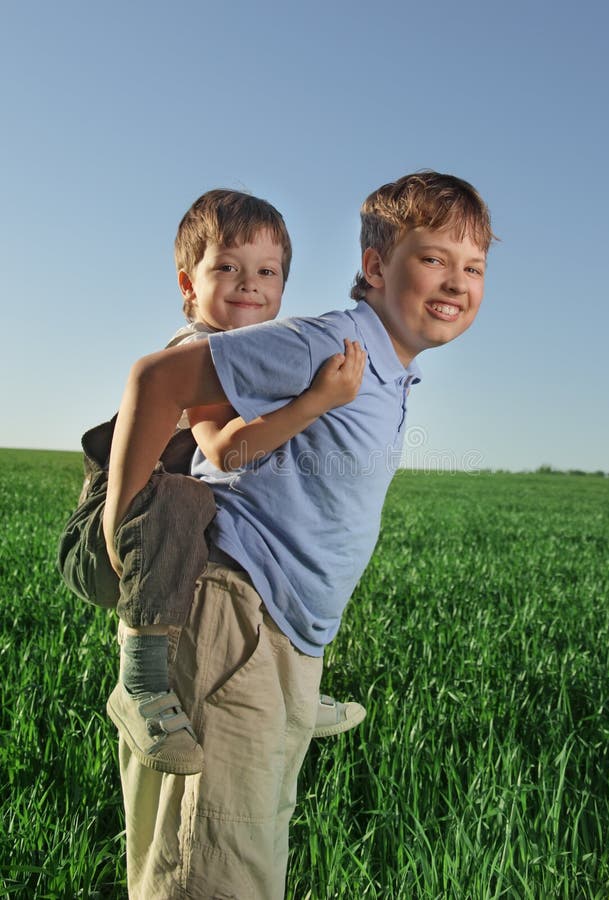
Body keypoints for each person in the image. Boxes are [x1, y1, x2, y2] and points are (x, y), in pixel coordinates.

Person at [104, 170, 495, 898]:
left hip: (285, 638)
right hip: (235, 621)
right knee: (213, 870)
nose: (456, 281)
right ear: (376, 266)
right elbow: (158, 379)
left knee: (246, 860)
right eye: (433, 258)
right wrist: (117, 524)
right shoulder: (335, 341)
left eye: (471, 266)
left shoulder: (386, 367)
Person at [57, 189, 367, 778]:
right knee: (188, 495)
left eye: (266, 271)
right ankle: (140, 684)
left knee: (275, 517)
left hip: (164, 542)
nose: (249, 283)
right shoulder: (199, 351)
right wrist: (320, 400)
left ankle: (291, 689)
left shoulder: (243, 357)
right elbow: (227, 451)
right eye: (227, 267)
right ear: (187, 285)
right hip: (112, 539)